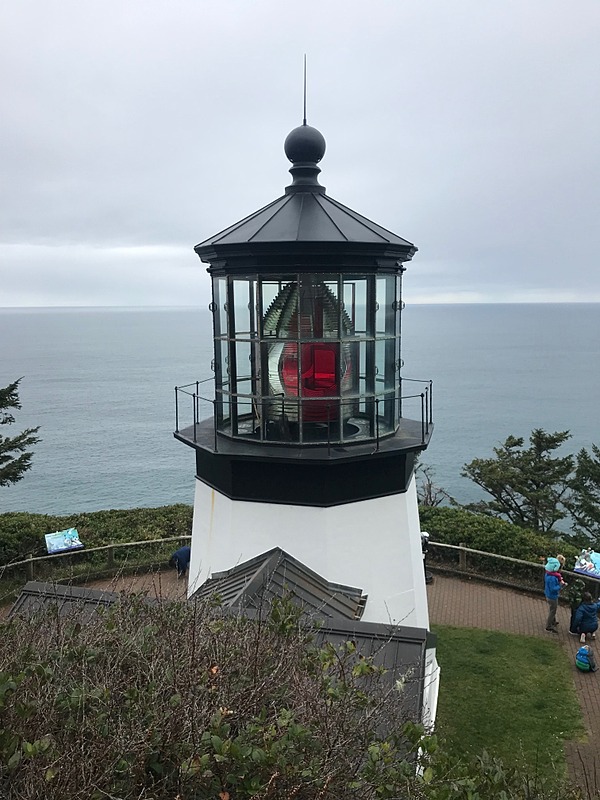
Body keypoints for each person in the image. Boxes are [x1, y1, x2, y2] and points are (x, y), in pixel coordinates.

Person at [544, 557, 565, 634]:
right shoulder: (552, 578)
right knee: (553, 610)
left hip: (548, 594)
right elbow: (553, 589)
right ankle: (548, 626)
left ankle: (553, 621)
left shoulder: (548, 574)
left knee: (552, 609)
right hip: (552, 596)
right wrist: (561, 585)